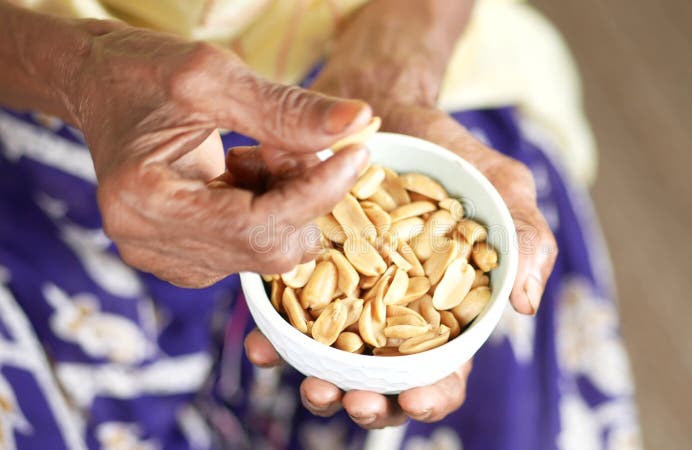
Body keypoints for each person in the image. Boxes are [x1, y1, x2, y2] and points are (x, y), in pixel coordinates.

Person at [0, 0, 641, 449]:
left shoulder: (428, 226)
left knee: (520, 422)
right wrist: (81, 70)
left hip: (396, 78)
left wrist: (393, 73)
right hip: (40, 83)